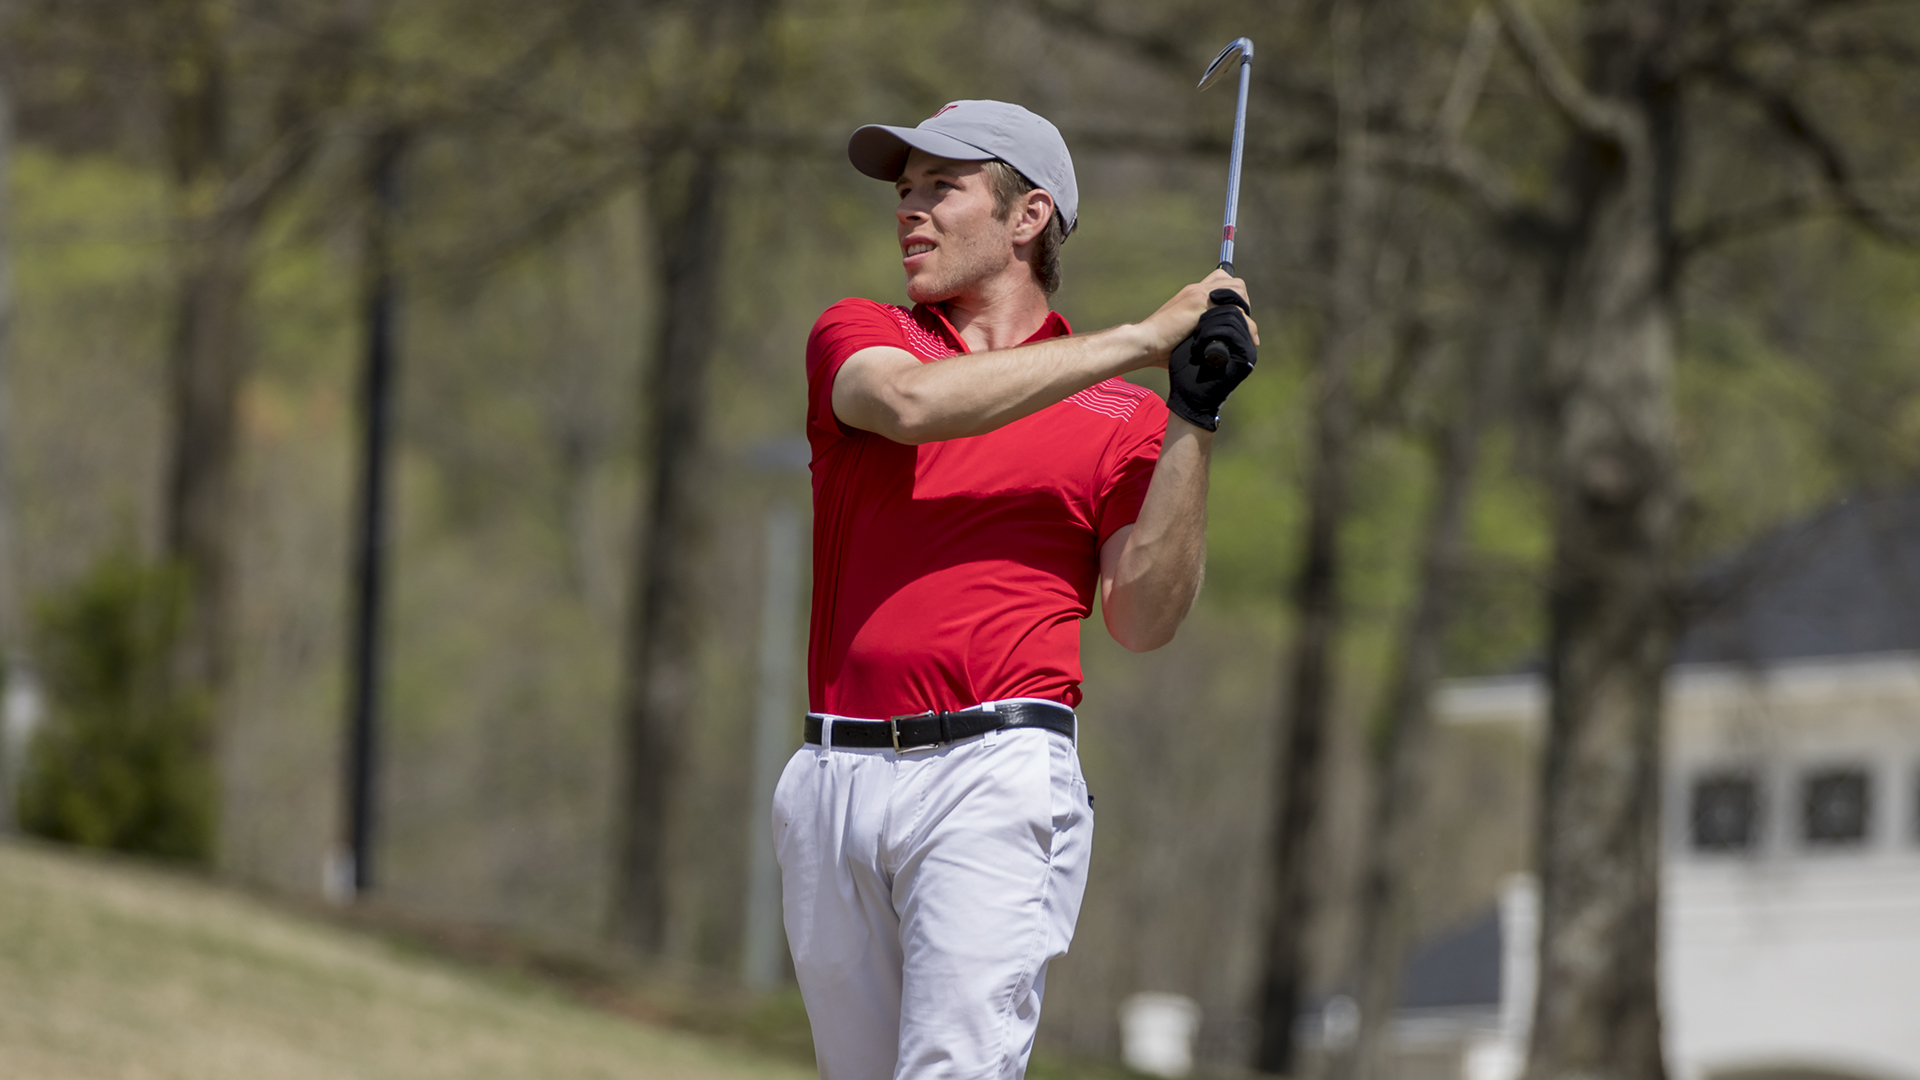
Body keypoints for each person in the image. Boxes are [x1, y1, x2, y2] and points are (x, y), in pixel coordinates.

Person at [773, 99, 1259, 1080]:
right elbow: (908, 407)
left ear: (1027, 215)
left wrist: (1191, 420)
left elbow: (1145, 615)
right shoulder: (863, 335)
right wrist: (1140, 337)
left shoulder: (1122, 420)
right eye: (904, 191)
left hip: (994, 773)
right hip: (832, 777)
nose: (909, 211)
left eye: (940, 187)